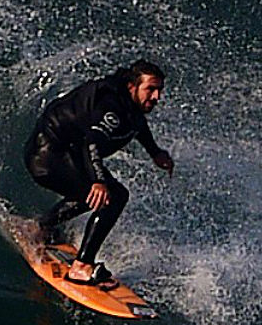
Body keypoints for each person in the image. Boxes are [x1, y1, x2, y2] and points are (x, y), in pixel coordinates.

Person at [24, 59, 175, 285]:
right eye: (151, 89)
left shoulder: (127, 100)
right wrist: (98, 181)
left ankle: (39, 227)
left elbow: (137, 122)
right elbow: (92, 142)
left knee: (105, 195)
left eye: (159, 90)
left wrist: (154, 152)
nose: (156, 97)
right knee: (110, 196)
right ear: (132, 86)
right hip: (48, 156)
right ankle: (81, 266)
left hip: (67, 153)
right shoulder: (111, 106)